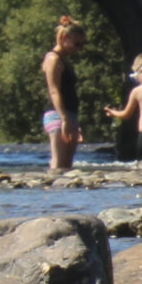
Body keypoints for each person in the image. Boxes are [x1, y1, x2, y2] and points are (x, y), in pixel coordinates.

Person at [41, 16, 85, 173]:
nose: (79, 48)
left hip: (69, 114)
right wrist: (64, 119)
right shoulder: (53, 59)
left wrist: (72, 120)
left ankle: (65, 197)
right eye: (77, 44)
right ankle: (52, 194)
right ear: (64, 38)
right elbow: (54, 90)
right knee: (58, 164)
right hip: (57, 114)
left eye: (82, 44)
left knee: (67, 167)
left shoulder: (64, 60)